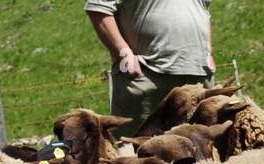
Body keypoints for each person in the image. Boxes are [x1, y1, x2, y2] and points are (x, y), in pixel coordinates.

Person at [85, 0, 215, 138]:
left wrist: (209, 52)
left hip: (199, 76)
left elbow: (203, 10)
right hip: (148, 75)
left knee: (200, 150)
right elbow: (98, 8)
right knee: (136, 151)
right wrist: (123, 53)